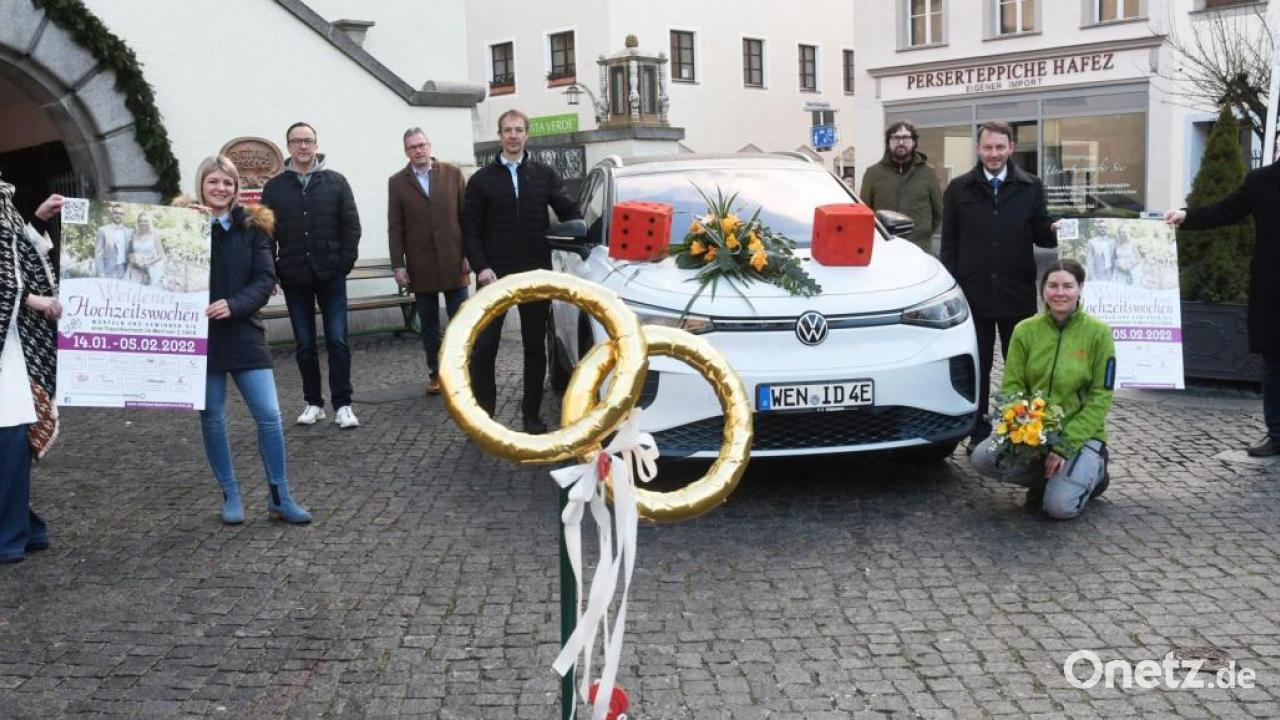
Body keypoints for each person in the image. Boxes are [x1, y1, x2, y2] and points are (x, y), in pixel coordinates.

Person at [188, 155, 310, 525]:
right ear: (201, 185)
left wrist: (234, 304)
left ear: (236, 187)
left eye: (227, 182)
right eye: (213, 182)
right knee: (213, 419)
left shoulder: (253, 225)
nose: (221, 188)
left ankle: (279, 495)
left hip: (244, 333)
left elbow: (264, 279)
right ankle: (231, 496)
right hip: (201, 336)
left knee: (270, 417)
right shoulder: (184, 225)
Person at [941, 120, 1058, 449]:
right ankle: (977, 429)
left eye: (1000, 147)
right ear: (978, 149)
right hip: (972, 296)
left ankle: (1022, 429)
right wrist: (950, 290)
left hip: (1015, 294)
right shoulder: (959, 189)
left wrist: (1056, 228)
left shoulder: (1030, 187)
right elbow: (949, 246)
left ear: (1011, 149)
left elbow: (1040, 233)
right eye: (988, 147)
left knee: (1020, 366)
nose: (994, 154)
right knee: (977, 365)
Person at [463, 109, 580, 434]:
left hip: (534, 270)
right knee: (484, 348)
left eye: (518, 130)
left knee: (533, 345)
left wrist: (586, 226)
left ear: (527, 134)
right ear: (500, 136)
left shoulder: (543, 174)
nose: (513, 135)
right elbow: (469, 229)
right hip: (493, 274)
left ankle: (531, 415)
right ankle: (483, 417)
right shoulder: (481, 180)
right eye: (507, 130)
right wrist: (481, 267)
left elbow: (568, 210)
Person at [970, 259, 1116, 519]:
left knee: (1059, 508)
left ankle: (1095, 473)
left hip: (1079, 436)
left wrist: (1064, 446)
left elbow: (1100, 397)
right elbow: (1012, 386)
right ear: (1043, 290)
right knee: (982, 457)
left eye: (1068, 286)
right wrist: (1023, 429)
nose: (1060, 293)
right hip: (1035, 432)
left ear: (1080, 288)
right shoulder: (1025, 331)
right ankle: (1049, 478)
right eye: (1053, 286)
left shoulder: (1099, 333)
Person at [1166, 158, 1280, 456]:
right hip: (1274, 289)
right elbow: (1225, 210)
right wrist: (1185, 216)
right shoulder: (1262, 180)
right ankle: (1278, 434)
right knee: (1275, 365)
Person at [261, 122, 362, 429]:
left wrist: (344, 264)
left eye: (308, 141)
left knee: (337, 340)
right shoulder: (274, 188)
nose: (303, 146)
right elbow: (266, 234)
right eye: (297, 141)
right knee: (304, 343)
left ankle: (343, 404)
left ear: (316, 145)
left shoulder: (336, 182)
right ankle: (313, 403)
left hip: (331, 274)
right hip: (294, 276)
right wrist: (272, 269)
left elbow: (351, 227)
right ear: (288, 147)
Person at [0, 182, 62, 563]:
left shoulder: (3, 198)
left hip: (8, 343)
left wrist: (36, 221)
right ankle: (22, 528)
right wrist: (28, 298)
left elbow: (12, 261)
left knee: (10, 438)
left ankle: (13, 534)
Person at [388, 127, 470, 396]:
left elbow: (466, 216)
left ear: (429, 146)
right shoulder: (397, 182)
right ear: (406, 151)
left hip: (454, 259)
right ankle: (436, 373)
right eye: (412, 147)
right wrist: (398, 265)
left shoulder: (452, 174)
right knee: (430, 325)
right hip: (420, 262)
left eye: (421, 145)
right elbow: (395, 227)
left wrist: (470, 254)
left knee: (460, 319)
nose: (418, 150)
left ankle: (461, 370)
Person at [858, 120, 943, 253]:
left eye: (906, 137)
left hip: (919, 248)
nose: (901, 142)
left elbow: (938, 212)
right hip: (885, 248)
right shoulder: (873, 174)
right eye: (896, 138)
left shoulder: (928, 173)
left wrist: (922, 233)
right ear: (888, 142)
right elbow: (865, 212)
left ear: (914, 142)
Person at [127, 211, 167, 286]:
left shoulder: (155, 236)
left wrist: (148, 263)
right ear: (138, 222)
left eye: (146, 221)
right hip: (136, 268)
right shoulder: (134, 235)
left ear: (149, 222)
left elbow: (161, 254)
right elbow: (131, 253)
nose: (143, 223)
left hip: (152, 266)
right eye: (141, 221)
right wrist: (135, 260)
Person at [94, 201, 132, 279]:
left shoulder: (130, 232)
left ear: (124, 215)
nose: (118, 215)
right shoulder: (102, 230)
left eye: (120, 213)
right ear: (111, 214)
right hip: (107, 270)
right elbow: (98, 253)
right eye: (115, 213)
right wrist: (100, 273)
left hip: (124, 271)